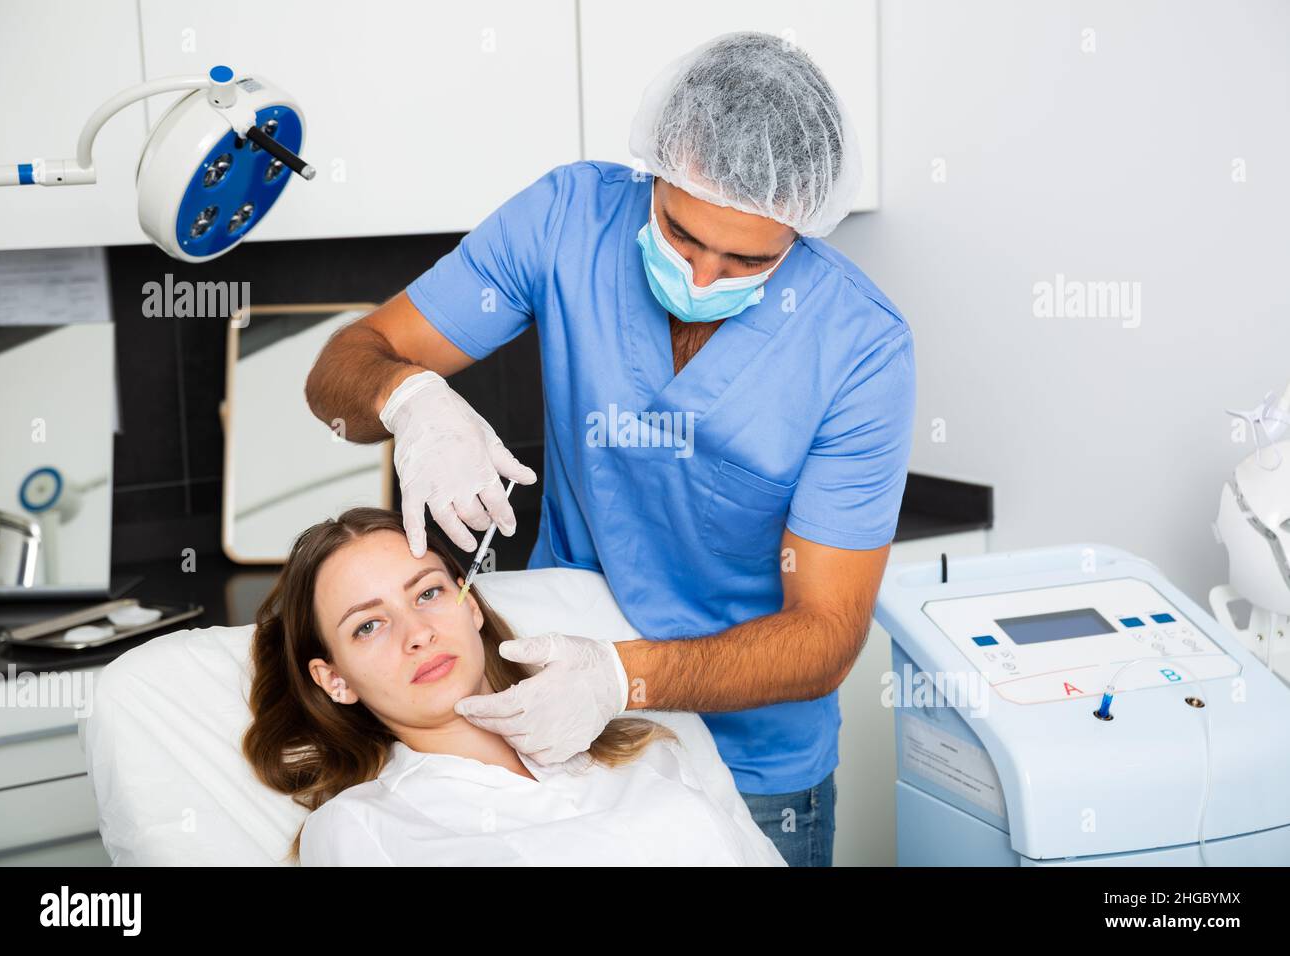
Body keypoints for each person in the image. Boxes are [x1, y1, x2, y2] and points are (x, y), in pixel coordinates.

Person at [305, 31, 915, 866]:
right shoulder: (568, 222)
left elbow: (826, 634)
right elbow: (344, 365)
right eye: (680, 235)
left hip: (756, 761)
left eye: (746, 259)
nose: (701, 279)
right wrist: (410, 400)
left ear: (801, 229)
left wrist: (617, 678)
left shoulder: (859, 347)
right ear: (656, 171)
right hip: (555, 730)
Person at [242, 506, 786, 866]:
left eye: (427, 594)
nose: (418, 634)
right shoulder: (360, 829)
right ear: (335, 680)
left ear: (470, 605)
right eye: (368, 625)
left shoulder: (645, 748)